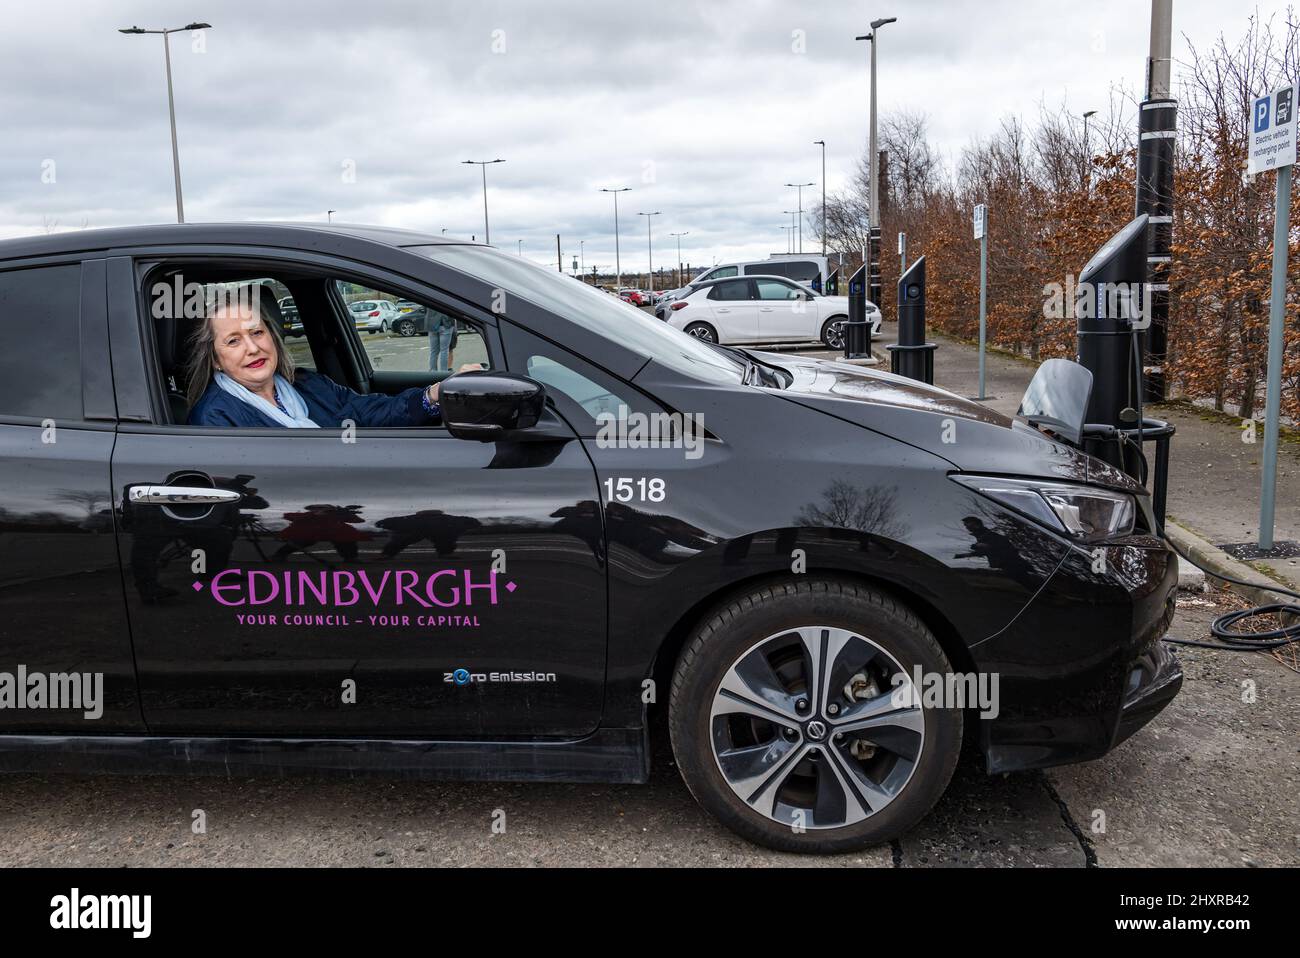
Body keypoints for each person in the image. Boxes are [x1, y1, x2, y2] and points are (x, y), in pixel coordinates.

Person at [186, 286, 458, 428]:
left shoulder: (309, 385)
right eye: (234, 341)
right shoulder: (215, 418)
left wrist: (434, 395)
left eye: (257, 332)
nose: (252, 348)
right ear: (216, 360)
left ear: (273, 337)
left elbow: (369, 412)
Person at [427, 307, 457, 372]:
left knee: (433, 351)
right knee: (444, 350)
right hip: (446, 323)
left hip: (432, 324)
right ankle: (443, 373)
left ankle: (433, 372)